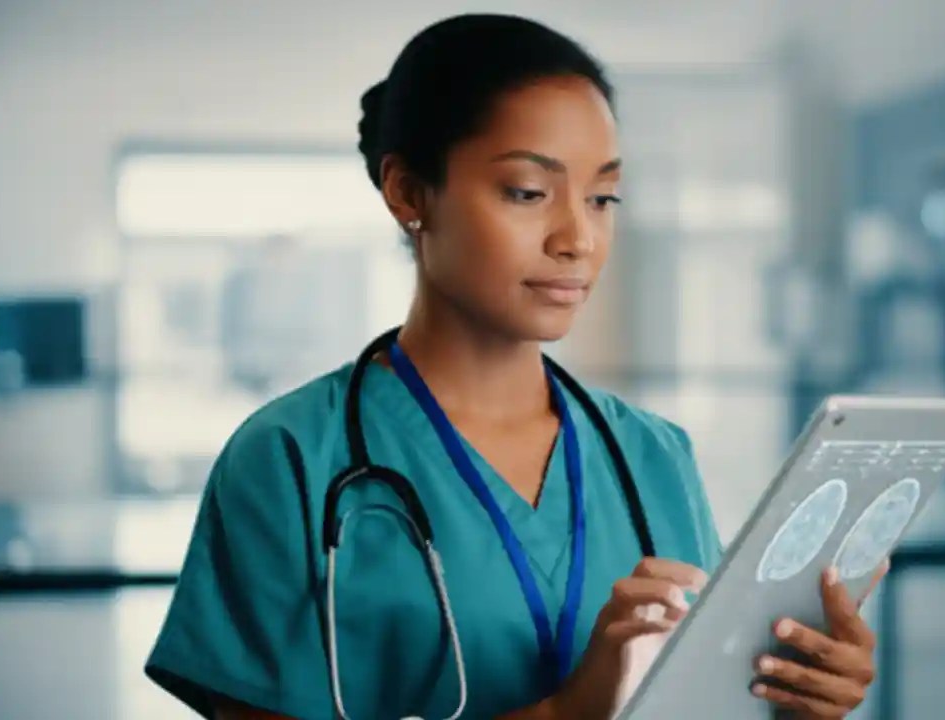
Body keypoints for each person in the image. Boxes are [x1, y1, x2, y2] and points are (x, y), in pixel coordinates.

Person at [145, 13, 883, 720]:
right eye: (528, 192)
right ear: (408, 192)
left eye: (602, 197)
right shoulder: (290, 459)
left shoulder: (652, 454)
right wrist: (564, 714)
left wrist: (797, 702)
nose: (578, 237)